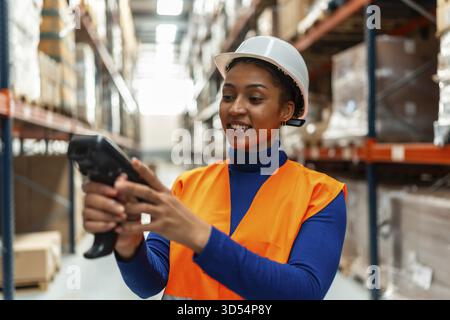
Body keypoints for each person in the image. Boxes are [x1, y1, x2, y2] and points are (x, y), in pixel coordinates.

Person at [81, 36, 347, 300]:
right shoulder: (189, 185)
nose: (235, 108)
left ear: (286, 111)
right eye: (228, 96)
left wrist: (200, 236)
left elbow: (304, 291)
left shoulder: (320, 195)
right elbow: (149, 283)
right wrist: (131, 246)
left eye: (255, 98)